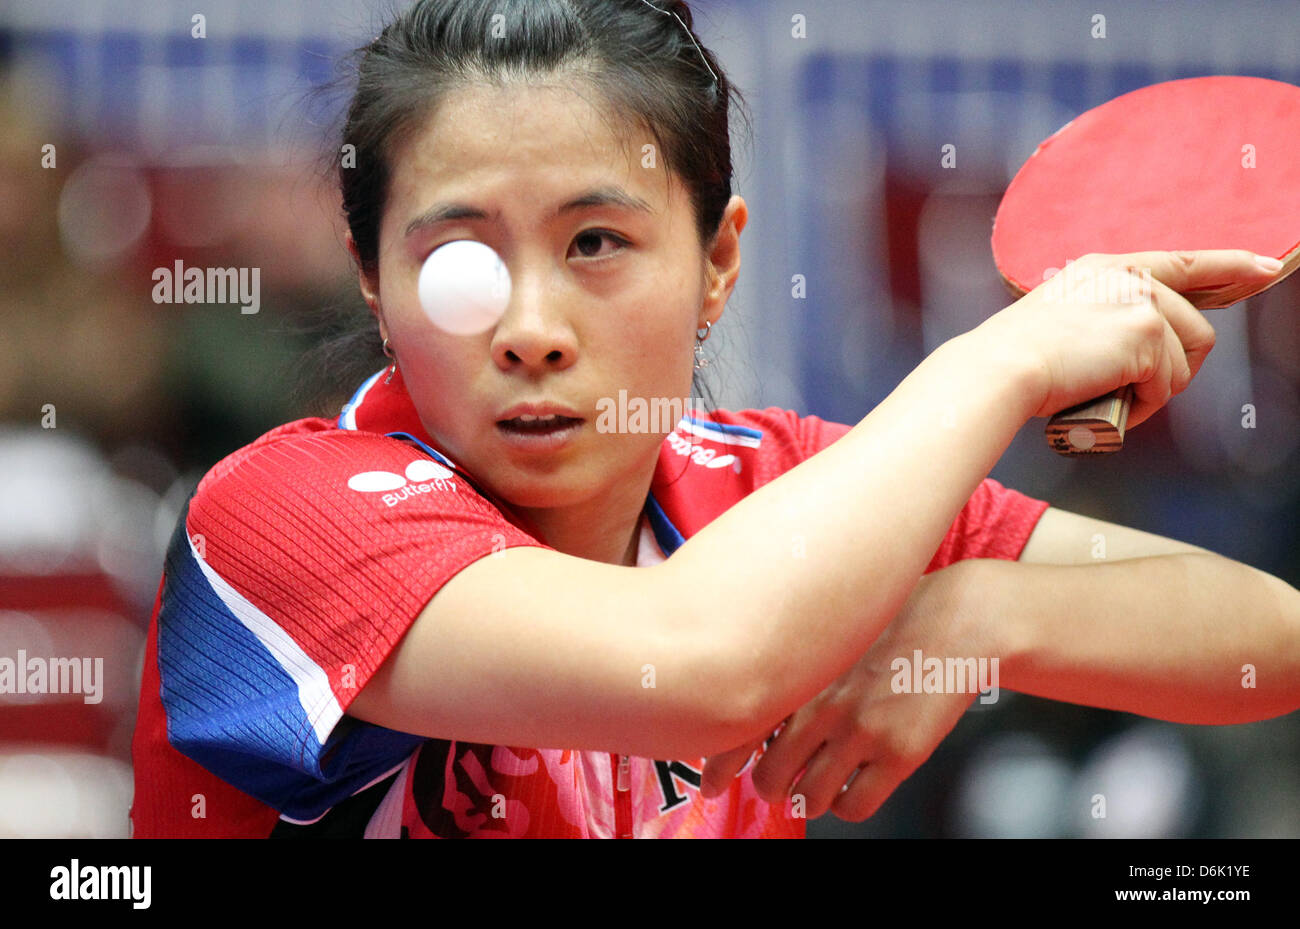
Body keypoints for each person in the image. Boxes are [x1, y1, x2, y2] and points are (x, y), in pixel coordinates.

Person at [130, 0, 1300, 838]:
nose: (530, 324)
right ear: (375, 280)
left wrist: (984, 612)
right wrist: (998, 358)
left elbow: (1269, 637)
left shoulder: (771, 486)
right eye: (461, 252)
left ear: (718, 263)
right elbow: (698, 659)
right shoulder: (278, 520)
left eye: (597, 242)